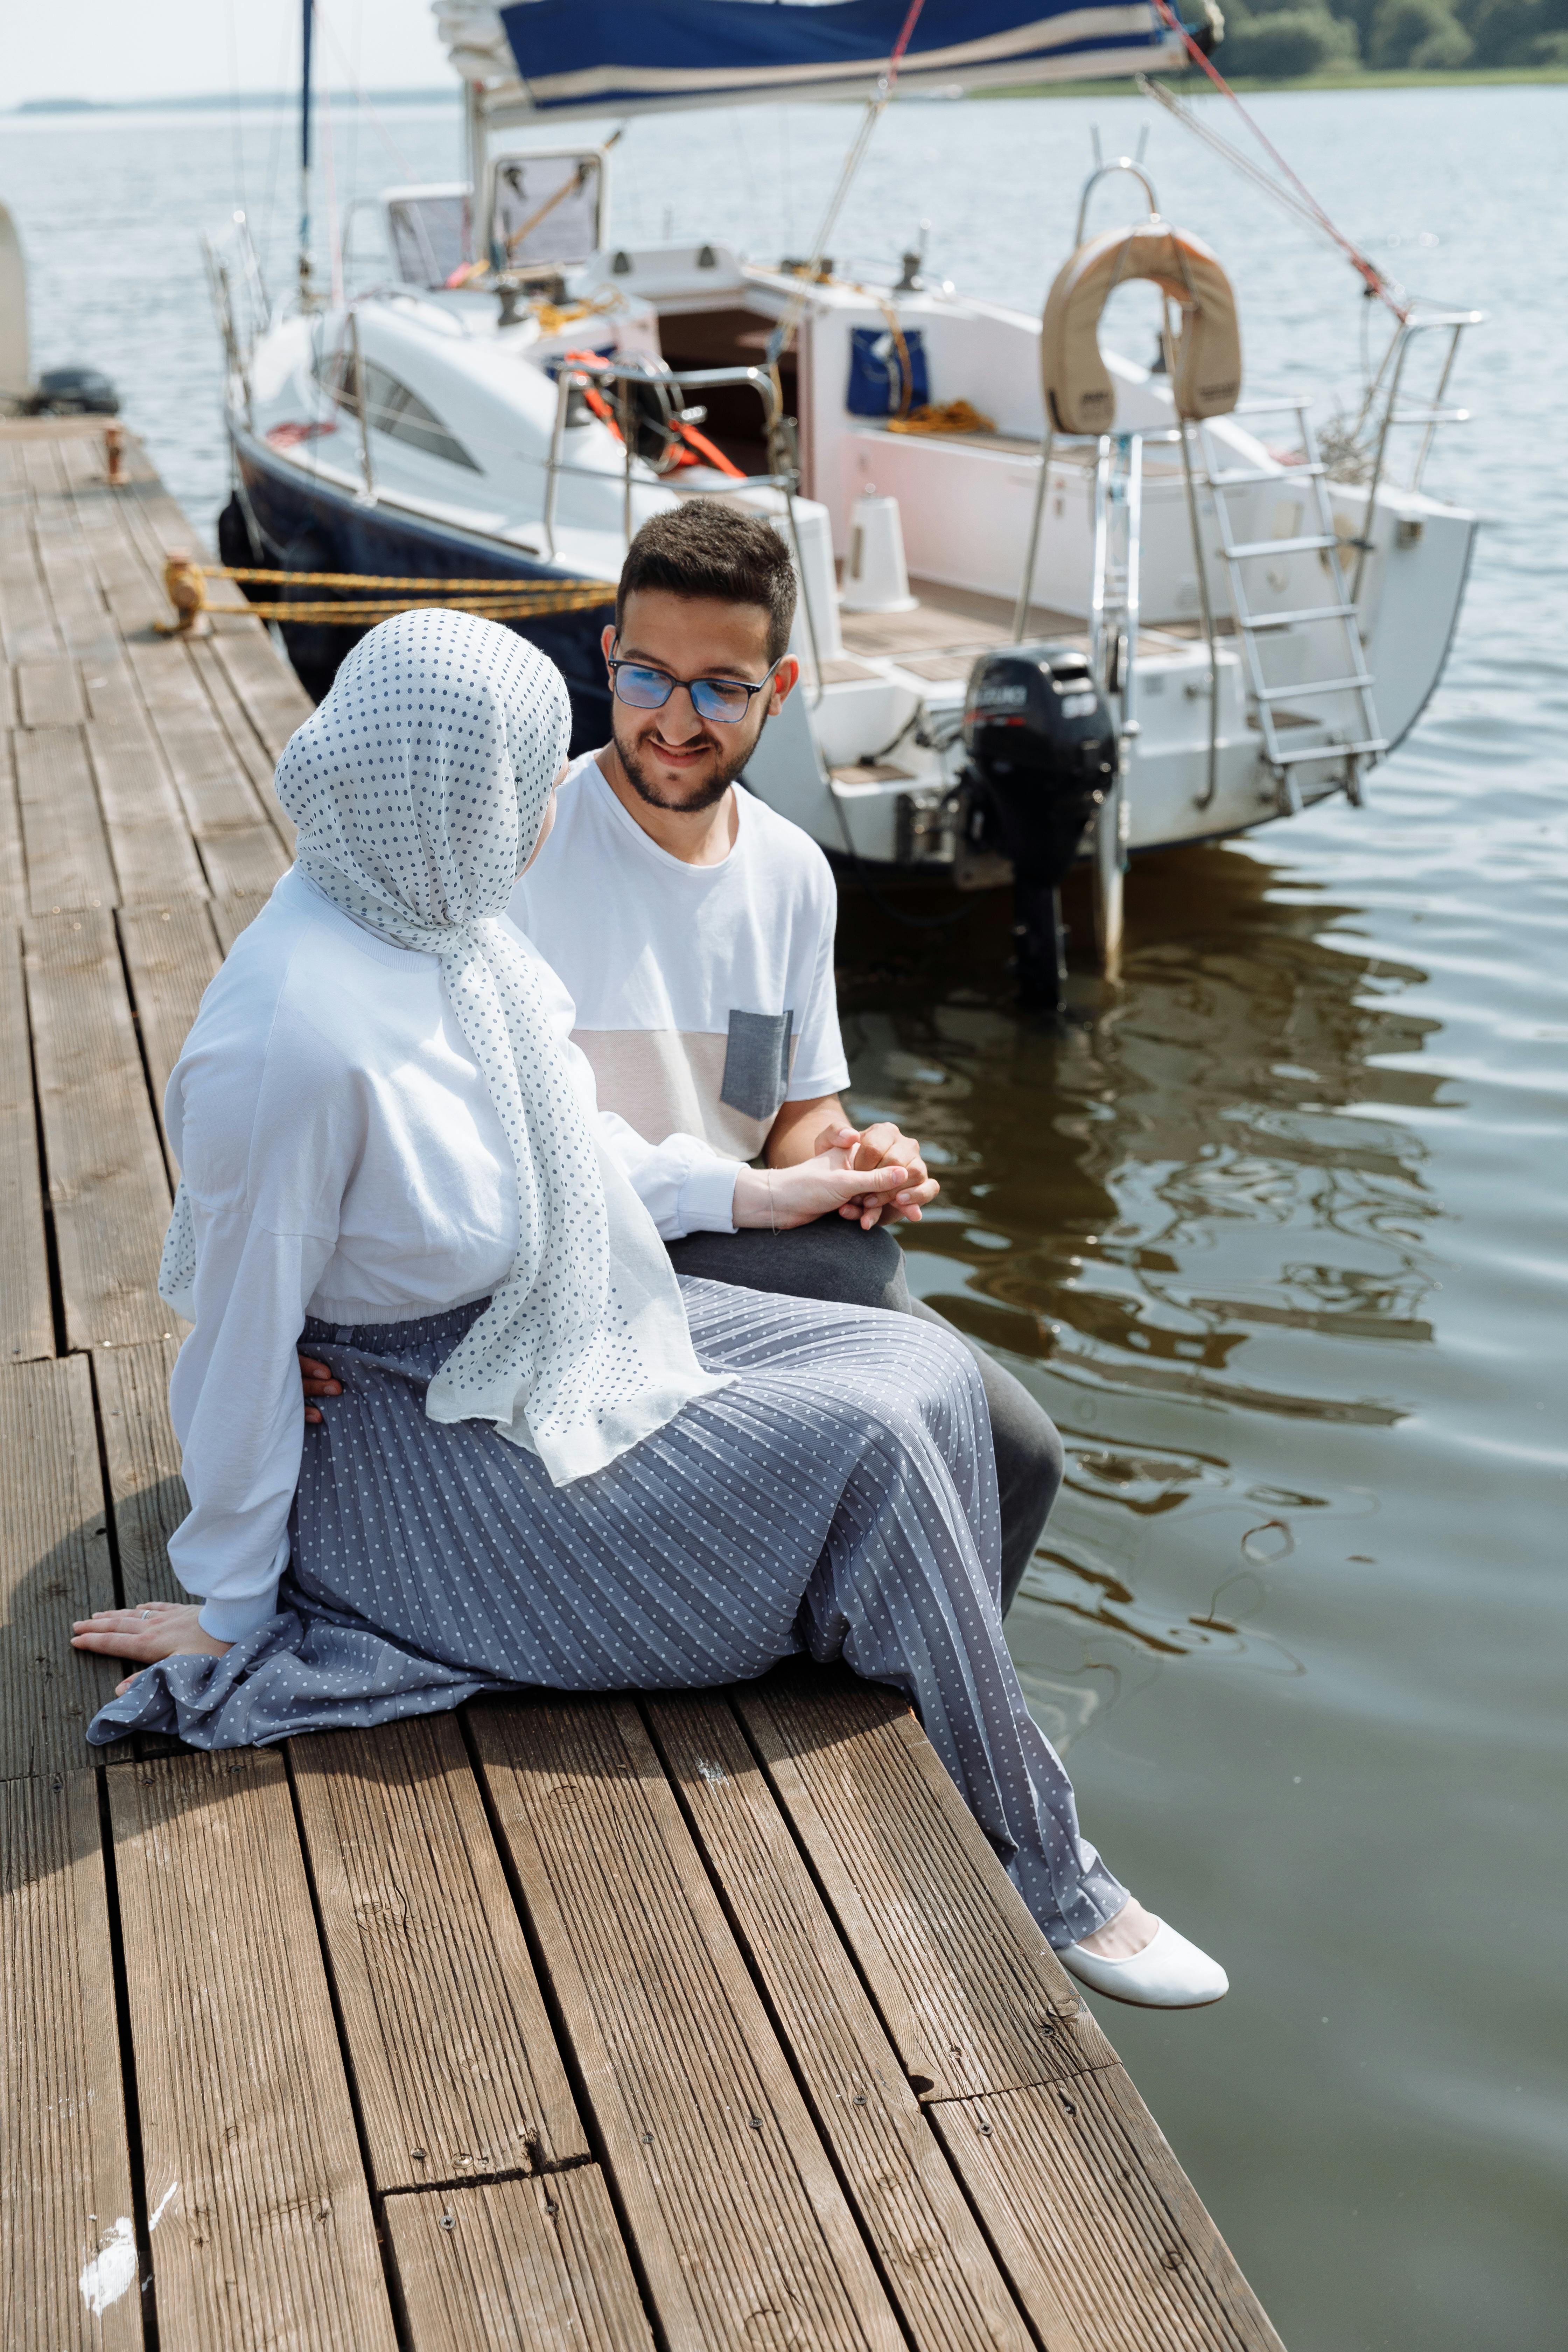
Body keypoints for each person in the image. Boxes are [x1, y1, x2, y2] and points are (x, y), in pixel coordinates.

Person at [71, 608, 1225, 2007]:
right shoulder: (295, 1038)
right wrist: (232, 1598)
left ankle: (912, 1667)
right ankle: (1044, 1861)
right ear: (443, 790)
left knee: (920, 1381)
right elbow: (244, 1332)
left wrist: (761, 1198)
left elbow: (568, 1152)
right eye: (518, 778)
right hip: (400, 1431)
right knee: (864, 1446)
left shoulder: (435, 928)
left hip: (538, 1311)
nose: (544, 810)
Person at [300, 505, 1064, 1614]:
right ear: (606, 654)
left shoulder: (798, 875)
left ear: (782, 689)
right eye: (650, 676)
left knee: (1022, 1454)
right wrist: (291, 1325)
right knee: (870, 1307)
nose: (676, 720)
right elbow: (372, 1097)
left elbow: (796, 1111)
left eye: (722, 688)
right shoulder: (518, 840)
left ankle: (928, 1699)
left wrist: (852, 1154)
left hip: (735, 1253)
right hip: (558, 1272)